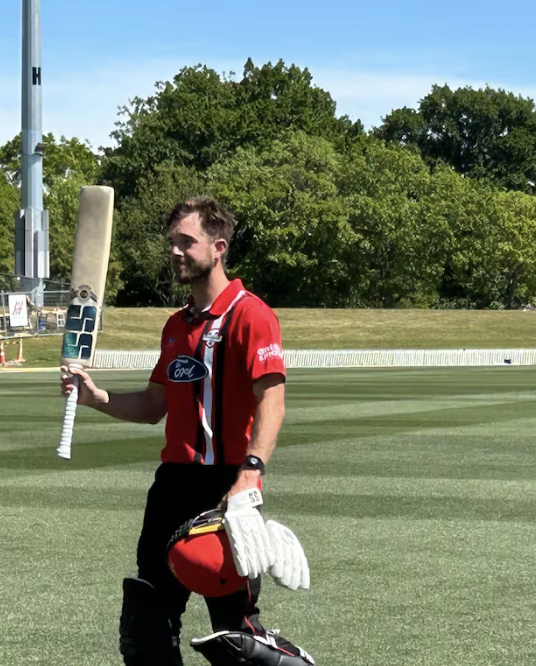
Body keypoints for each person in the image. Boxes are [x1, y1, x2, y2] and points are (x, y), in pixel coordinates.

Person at [60, 197, 315, 665]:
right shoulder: (176, 325)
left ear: (218, 248)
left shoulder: (251, 315)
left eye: (187, 242)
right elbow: (155, 403)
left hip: (225, 486)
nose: (175, 252)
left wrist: (250, 474)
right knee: (146, 628)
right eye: (172, 243)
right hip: (172, 486)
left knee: (236, 638)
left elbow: (272, 402)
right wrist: (99, 398)